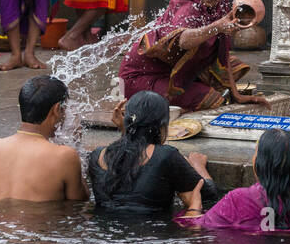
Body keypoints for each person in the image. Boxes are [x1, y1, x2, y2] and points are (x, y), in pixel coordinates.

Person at [119, 0, 268, 111]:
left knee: (234, 66)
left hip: (174, 72)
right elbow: (183, 41)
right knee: (212, 99)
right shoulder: (187, 6)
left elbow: (223, 51)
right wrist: (217, 26)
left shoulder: (223, 2)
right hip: (142, 78)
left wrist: (236, 94)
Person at [87, 91, 219, 215]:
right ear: (162, 125)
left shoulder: (98, 155)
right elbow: (208, 198)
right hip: (151, 235)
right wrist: (199, 167)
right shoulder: (166, 156)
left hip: (106, 232)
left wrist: (126, 130)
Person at [196, 128, 290, 232]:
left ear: (259, 163)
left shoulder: (238, 198)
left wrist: (193, 204)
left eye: (256, 153)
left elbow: (196, 226)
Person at [0, 75, 87, 202]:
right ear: (56, 109)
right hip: (44, 221)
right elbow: (81, 203)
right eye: (64, 110)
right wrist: (74, 144)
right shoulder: (64, 155)